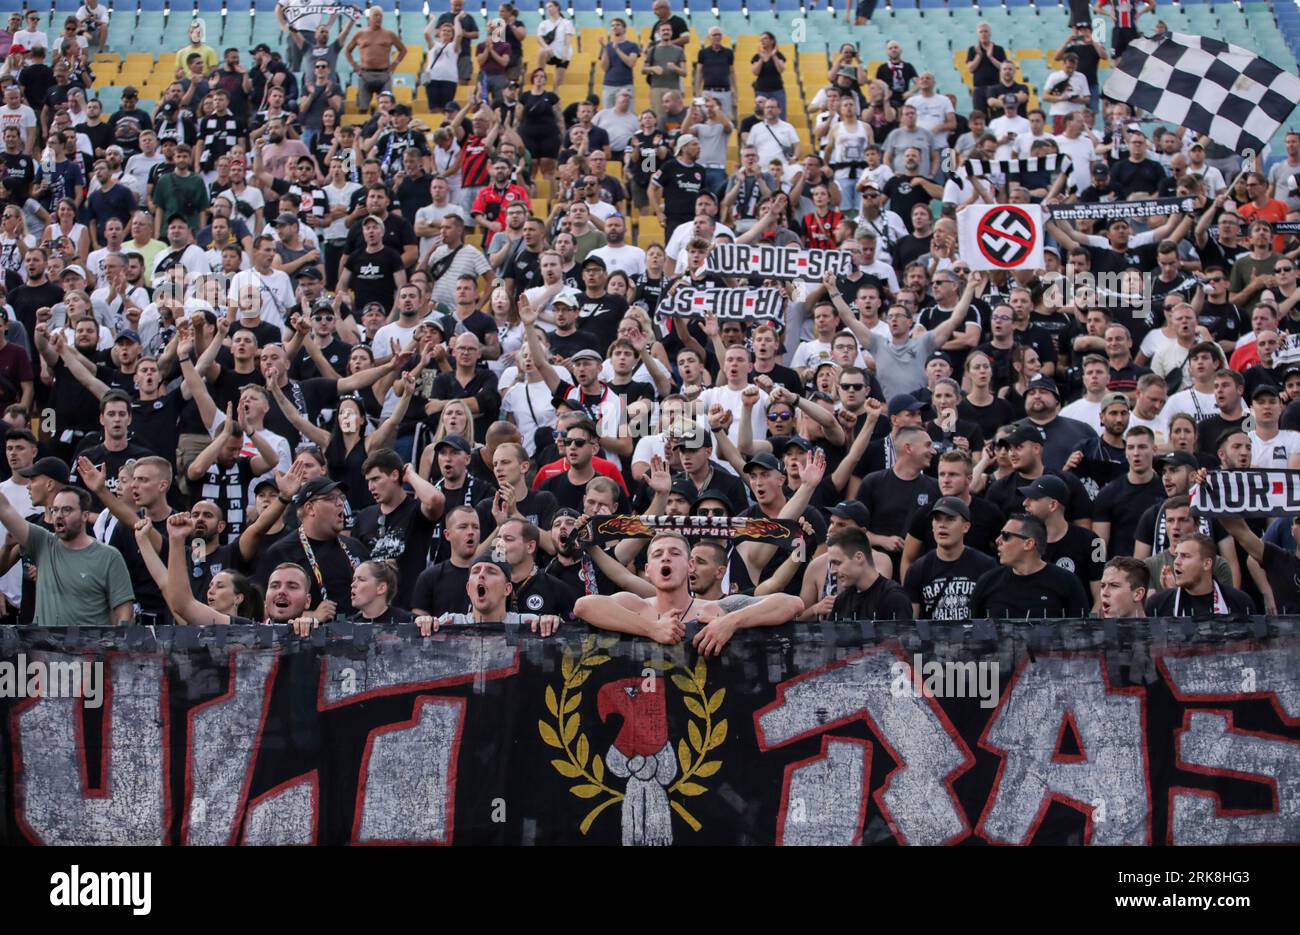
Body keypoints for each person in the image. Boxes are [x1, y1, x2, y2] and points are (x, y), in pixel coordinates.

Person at [574, 531, 802, 653]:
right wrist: (652, 629)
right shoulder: (636, 605)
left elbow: (792, 604)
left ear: (690, 566)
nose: (665, 557)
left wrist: (732, 622)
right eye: (657, 554)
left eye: (674, 553)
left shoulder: (714, 609)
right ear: (648, 570)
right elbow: (584, 606)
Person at [0, 483, 133, 626]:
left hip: (90, 646)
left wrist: (117, 644)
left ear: (85, 515)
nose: (58, 515)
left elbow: (124, 612)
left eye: (67, 510)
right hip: (45, 646)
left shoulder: (109, 556)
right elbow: (5, 509)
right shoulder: (42, 543)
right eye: (55, 510)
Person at [969, 513, 1091, 619]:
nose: (997, 540)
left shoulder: (1067, 582)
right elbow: (977, 635)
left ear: (1028, 544)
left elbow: (1080, 632)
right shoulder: (987, 582)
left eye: (1005, 536)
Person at [415, 552, 561, 635]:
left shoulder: (528, 623)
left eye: (491, 572)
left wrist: (553, 622)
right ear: (468, 589)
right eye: (476, 571)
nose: (481, 575)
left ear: (507, 589)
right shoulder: (449, 623)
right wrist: (423, 624)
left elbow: (567, 638)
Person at [1144, 533, 1256, 615]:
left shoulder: (1240, 602)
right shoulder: (1157, 605)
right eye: (1177, 555)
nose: (1176, 562)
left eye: (1185, 556)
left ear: (1207, 564)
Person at [344, 7, 407, 112]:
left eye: (380, 16)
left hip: (384, 74)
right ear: (369, 17)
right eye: (375, 15)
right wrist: (355, 66)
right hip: (365, 74)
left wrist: (394, 64)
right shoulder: (360, 34)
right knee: (363, 108)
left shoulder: (389, 34)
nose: (378, 18)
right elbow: (347, 51)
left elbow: (403, 50)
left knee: (387, 107)